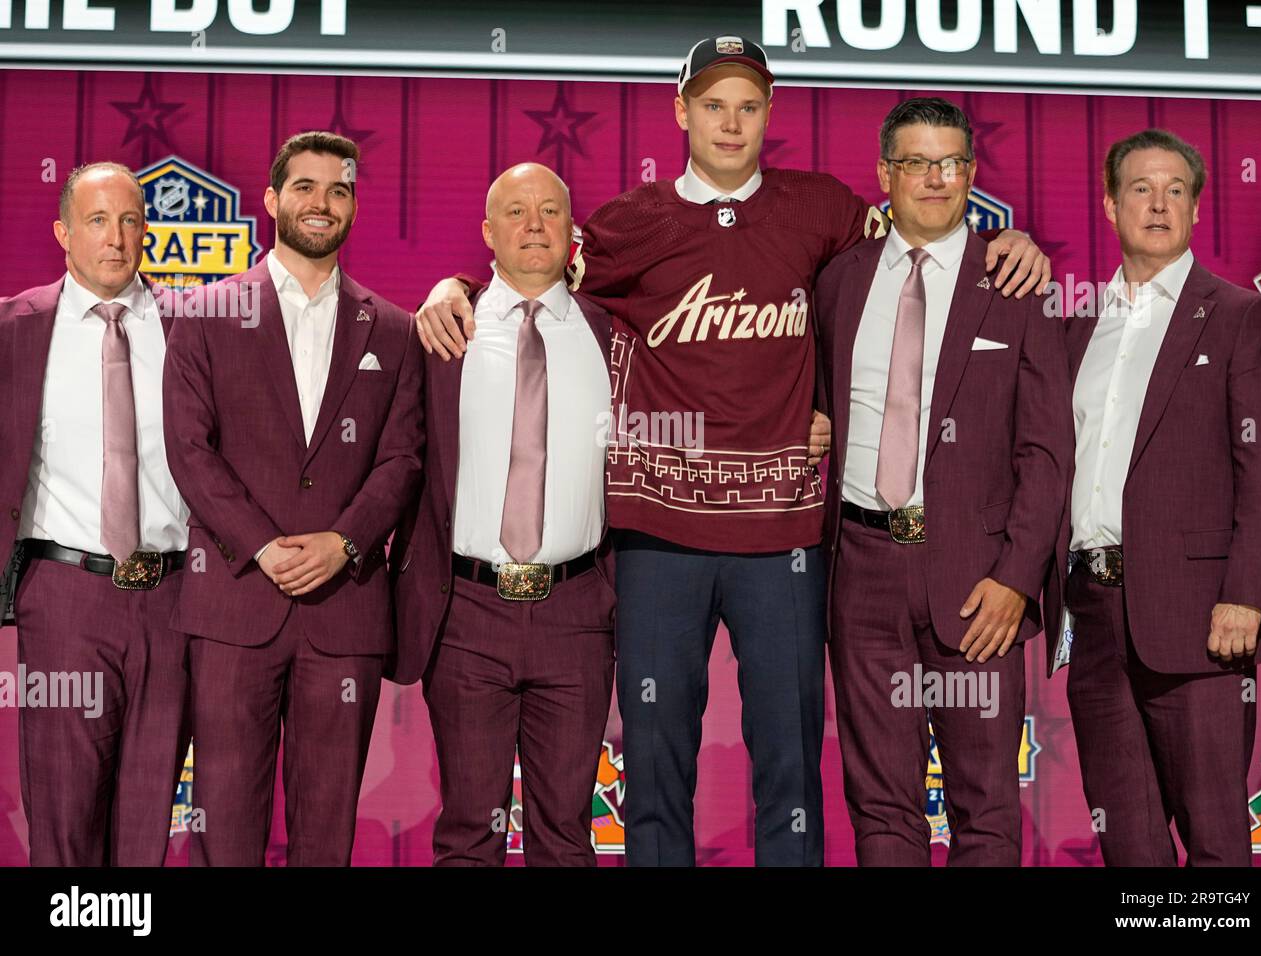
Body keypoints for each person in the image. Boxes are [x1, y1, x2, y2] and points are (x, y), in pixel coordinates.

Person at [415, 38, 1049, 866]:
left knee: (791, 771)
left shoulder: (822, 209)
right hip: (658, 541)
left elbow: (920, 240)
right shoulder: (627, 223)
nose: (730, 123)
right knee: (655, 769)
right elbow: (532, 277)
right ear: (681, 111)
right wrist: (455, 287)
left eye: (748, 106)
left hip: (783, 542)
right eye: (713, 105)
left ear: (769, 114)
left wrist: (1012, 241)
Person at [815, 98, 1071, 866]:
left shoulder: (1014, 281)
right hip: (859, 572)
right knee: (881, 808)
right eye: (917, 163)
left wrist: (1017, 578)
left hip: (978, 578)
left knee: (985, 807)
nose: (935, 178)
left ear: (971, 172)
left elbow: (1046, 451)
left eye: (951, 162)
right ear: (884, 173)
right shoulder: (838, 281)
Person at [163, 131, 423, 866]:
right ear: (273, 199)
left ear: (354, 208)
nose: (322, 203)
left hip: (345, 610)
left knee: (327, 833)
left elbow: (403, 458)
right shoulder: (207, 313)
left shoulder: (394, 329)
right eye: (305, 187)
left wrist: (344, 542)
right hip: (234, 605)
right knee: (225, 829)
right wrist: (263, 546)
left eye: (339, 190)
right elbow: (189, 449)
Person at [1043, 128, 1261, 866]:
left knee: (1215, 838)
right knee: (1129, 843)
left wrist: (1245, 596)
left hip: (1202, 618)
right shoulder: (1077, 326)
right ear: (1110, 205)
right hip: (1094, 615)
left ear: (1195, 208)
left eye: (1175, 190)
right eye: (1141, 189)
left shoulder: (1241, 316)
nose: (1159, 205)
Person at [389, 163, 616, 866]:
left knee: (566, 836)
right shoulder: (442, 332)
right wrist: (449, 287)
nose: (535, 225)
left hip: (577, 613)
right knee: (468, 833)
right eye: (516, 212)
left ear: (573, 230)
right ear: (488, 232)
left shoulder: (613, 334)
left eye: (550, 211)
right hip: (466, 613)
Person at [0, 162, 189, 865]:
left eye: (130, 220)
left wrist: (455, 288)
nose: (116, 237)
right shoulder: (14, 328)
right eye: (98, 221)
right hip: (65, 597)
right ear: (63, 233)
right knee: (65, 819)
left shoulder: (193, 326)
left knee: (146, 819)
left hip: (174, 598)